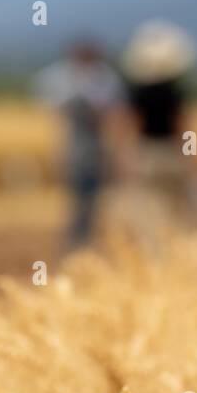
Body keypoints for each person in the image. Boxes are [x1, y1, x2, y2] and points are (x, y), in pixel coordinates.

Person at [33, 40, 124, 250]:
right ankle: (79, 241)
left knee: (91, 199)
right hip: (77, 148)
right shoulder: (66, 79)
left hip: (90, 147)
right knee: (81, 198)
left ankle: (84, 241)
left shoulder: (101, 78)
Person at [119, 20, 197, 249]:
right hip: (173, 153)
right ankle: (180, 251)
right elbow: (185, 127)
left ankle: (156, 254)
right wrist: (192, 156)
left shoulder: (137, 93)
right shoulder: (177, 91)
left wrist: (126, 157)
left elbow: (130, 127)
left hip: (147, 154)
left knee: (150, 211)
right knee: (180, 209)